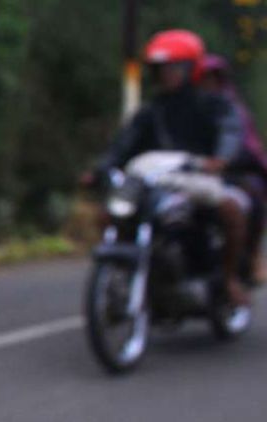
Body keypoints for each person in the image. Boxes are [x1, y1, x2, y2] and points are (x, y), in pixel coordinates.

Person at [84, 29, 250, 306]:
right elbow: (123, 145)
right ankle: (129, 275)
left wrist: (220, 158)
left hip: (198, 180)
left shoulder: (214, 104)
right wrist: (102, 168)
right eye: (162, 69)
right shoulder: (152, 111)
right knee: (110, 215)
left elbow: (230, 131)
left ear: (191, 69)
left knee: (230, 211)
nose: (167, 75)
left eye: (174, 68)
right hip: (155, 183)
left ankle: (229, 278)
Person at [198, 53, 267, 283]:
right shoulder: (185, 106)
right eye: (202, 78)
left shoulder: (231, 107)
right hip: (190, 173)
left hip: (234, 170)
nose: (207, 83)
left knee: (253, 196)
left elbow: (243, 142)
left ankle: (251, 258)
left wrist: (224, 160)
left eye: (211, 78)